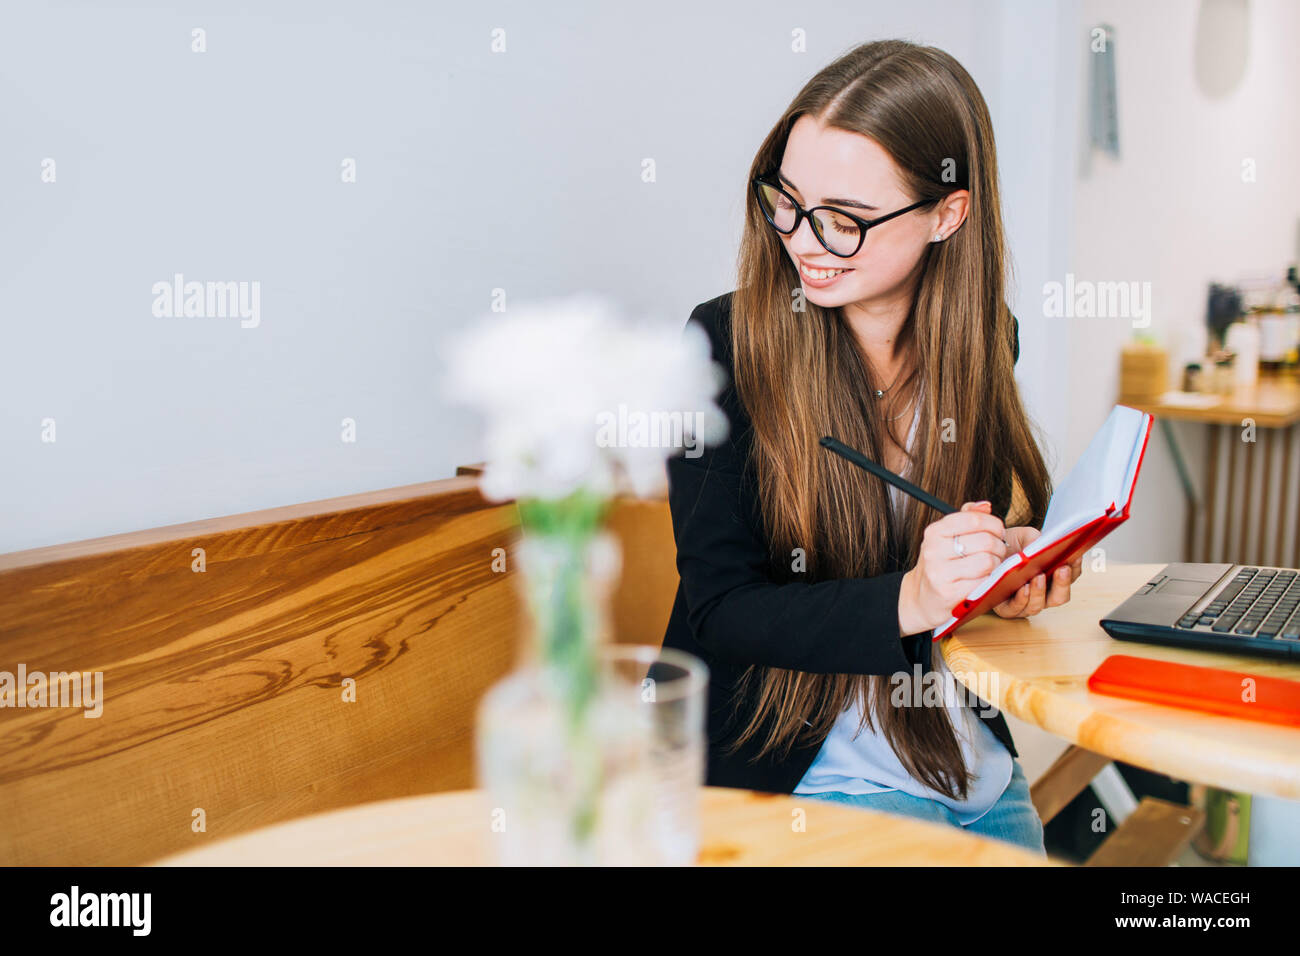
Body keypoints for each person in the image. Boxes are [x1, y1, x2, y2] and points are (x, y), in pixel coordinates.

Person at [663, 39, 1082, 855]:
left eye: (844, 220)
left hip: (969, 763)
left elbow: (943, 538)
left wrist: (994, 570)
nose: (803, 239)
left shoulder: (988, 341)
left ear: (947, 214)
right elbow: (721, 609)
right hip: (802, 774)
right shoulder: (723, 344)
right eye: (785, 199)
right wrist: (916, 598)